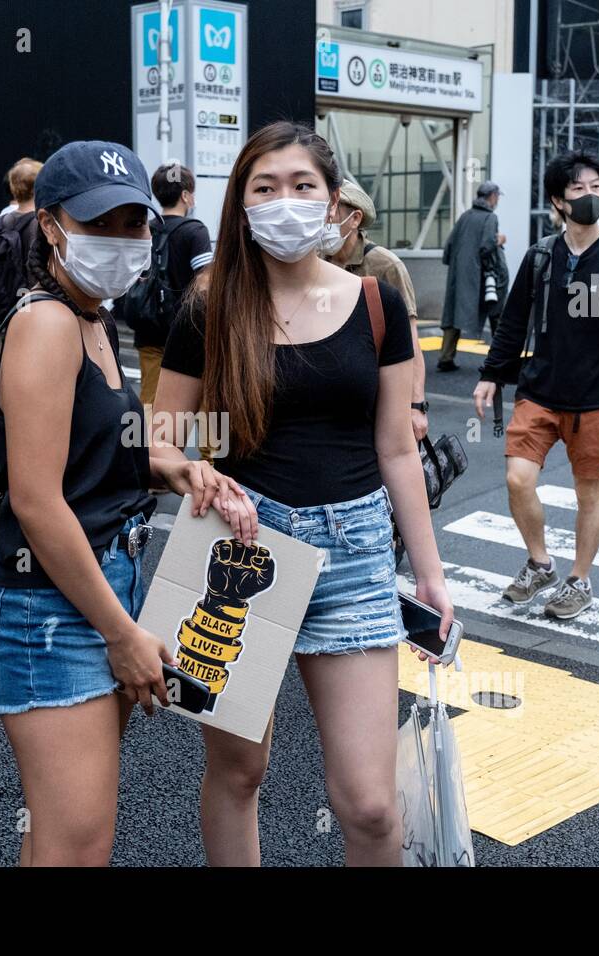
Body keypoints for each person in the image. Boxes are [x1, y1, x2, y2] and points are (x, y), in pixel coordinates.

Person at [152, 120, 455, 867]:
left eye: (302, 186)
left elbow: (395, 447)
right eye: (265, 187)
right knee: (237, 771)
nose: (284, 201)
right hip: (236, 549)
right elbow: (158, 438)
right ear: (240, 203)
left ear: (332, 202)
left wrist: (431, 573)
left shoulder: (377, 304)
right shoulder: (208, 305)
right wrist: (194, 470)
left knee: (372, 806)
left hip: (354, 552)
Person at [0, 140, 235, 866]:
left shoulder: (93, 317)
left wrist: (174, 471)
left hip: (94, 584)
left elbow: (94, 456)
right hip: (49, 608)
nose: (124, 241)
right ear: (52, 226)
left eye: (134, 224)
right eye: (101, 224)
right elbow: (37, 499)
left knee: (58, 834)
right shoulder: (48, 324)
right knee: (80, 843)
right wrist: (121, 633)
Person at [472, 152, 599, 620]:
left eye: (596, 188)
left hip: (597, 395)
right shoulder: (541, 257)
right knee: (517, 478)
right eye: (579, 190)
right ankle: (540, 562)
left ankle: (580, 579)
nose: (590, 196)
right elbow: (512, 323)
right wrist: (492, 374)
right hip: (541, 389)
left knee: (587, 492)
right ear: (558, 201)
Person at [322, 178, 430, 440]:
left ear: (355, 219)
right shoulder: (314, 262)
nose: (324, 220)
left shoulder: (386, 266)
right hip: (332, 392)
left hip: (379, 392)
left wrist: (416, 406)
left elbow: (411, 342)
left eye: (332, 211)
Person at [121, 162, 212, 407]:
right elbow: (205, 282)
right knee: (206, 403)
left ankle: (150, 445)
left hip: (149, 329)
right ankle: (212, 447)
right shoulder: (195, 231)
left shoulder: (145, 228)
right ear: (185, 196)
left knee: (150, 397)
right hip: (188, 330)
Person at [0, 158, 42, 446]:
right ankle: (21, 425)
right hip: (29, 307)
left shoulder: (2, 220)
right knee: (29, 367)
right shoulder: (42, 222)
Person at [439, 181, 504, 371]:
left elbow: (448, 248)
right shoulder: (490, 218)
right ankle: (501, 359)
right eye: (497, 196)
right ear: (492, 196)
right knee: (496, 313)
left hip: (458, 275)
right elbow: (486, 246)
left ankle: (445, 357)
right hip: (480, 277)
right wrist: (499, 240)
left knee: (452, 315)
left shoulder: (465, 216)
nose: (498, 200)